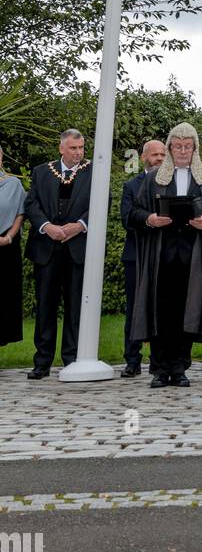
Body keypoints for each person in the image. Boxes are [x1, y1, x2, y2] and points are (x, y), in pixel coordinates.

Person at [130, 122, 202, 389]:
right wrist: (149, 218)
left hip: (192, 255)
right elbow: (134, 212)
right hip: (161, 255)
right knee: (161, 312)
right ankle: (159, 369)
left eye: (187, 146)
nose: (182, 150)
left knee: (188, 311)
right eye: (177, 145)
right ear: (170, 147)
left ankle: (180, 367)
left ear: (194, 148)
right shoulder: (153, 178)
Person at [23, 129, 92, 379]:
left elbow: (100, 203)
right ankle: (42, 362)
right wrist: (47, 227)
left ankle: (72, 359)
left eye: (81, 147)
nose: (79, 153)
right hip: (47, 250)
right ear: (61, 148)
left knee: (75, 307)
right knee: (45, 307)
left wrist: (80, 226)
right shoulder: (42, 171)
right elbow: (31, 204)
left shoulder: (93, 172)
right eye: (73, 148)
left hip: (77, 249)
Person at [119, 138, 166, 378]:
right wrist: (150, 221)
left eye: (162, 154)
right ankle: (132, 359)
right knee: (135, 308)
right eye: (155, 154)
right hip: (137, 254)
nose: (159, 158)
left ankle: (160, 361)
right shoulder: (132, 185)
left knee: (162, 308)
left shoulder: (173, 183)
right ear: (144, 157)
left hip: (165, 255)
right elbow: (127, 219)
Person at [0, 146, 26, 349]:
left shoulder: (13, 184)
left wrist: (8, 237)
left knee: (4, 301)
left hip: (5, 248)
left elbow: (20, 213)